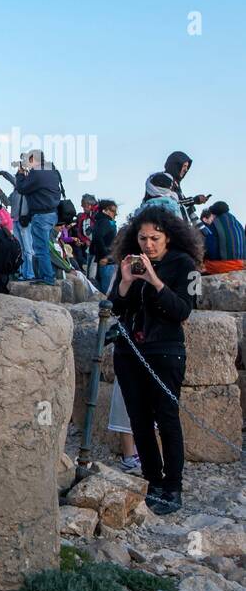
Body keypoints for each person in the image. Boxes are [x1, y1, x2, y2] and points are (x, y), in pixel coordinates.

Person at [108, 202, 202, 515]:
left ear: (169, 238)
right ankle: (152, 481)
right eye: (143, 238)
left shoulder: (184, 264)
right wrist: (124, 282)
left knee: (167, 418)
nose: (147, 244)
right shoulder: (131, 261)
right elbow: (115, 309)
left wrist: (154, 281)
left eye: (154, 239)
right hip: (129, 351)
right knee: (139, 420)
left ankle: (173, 486)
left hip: (164, 351)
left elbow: (183, 310)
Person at [14, 150, 65, 286]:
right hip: (52, 214)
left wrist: (20, 175)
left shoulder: (37, 172)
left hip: (41, 215)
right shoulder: (51, 170)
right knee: (45, 247)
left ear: (33, 159)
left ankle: (47, 277)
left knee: (40, 248)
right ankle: (46, 275)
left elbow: (22, 188)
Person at [0, 168, 36, 281]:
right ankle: (23, 272)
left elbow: (14, 181)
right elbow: (7, 203)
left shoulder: (26, 189)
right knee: (20, 248)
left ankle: (30, 273)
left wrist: (3, 173)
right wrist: (0, 191)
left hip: (24, 221)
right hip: (16, 221)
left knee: (27, 248)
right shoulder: (16, 192)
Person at [142, 150, 208, 223]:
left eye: (187, 167)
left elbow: (182, 204)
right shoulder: (162, 179)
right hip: (159, 225)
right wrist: (194, 200)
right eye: (184, 166)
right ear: (175, 165)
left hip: (175, 227)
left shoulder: (175, 183)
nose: (186, 169)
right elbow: (169, 203)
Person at [198, 201, 245, 274]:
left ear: (214, 213)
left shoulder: (215, 224)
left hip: (221, 267)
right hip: (240, 265)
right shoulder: (238, 225)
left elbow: (210, 250)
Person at [91, 200, 120, 293]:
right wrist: (106, 256)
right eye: (113, 211)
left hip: (106, 260)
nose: (115, 213)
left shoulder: (102, 221)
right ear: (105, 210)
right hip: (107, 261)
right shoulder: (104, 221)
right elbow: (97, 238)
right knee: (107, 290)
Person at [71, 194, 97, 276]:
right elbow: (80, 231)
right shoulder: (83, 216)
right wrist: (85, 240)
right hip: (89, 248)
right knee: (90, 273)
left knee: (94, 273)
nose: (83, 208)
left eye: (84, 206)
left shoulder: (98, 214)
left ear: (89, 205)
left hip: (98, 249)